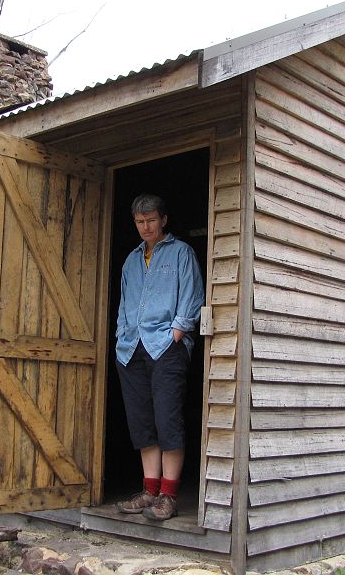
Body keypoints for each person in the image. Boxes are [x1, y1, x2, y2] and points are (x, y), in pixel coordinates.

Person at [114, 193, 204, 521]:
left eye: (151, 220)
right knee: (142, 423)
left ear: (163, 220)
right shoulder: (131, 261)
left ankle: (168, 494)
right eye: (140, 221)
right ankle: (149, 491)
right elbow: (125, 305)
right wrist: (121, 338)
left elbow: (193, 297)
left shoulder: (181, 253)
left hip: (167, 347)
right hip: (132, 348)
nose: (146, 226)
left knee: (167, 420)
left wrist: (177, 333)